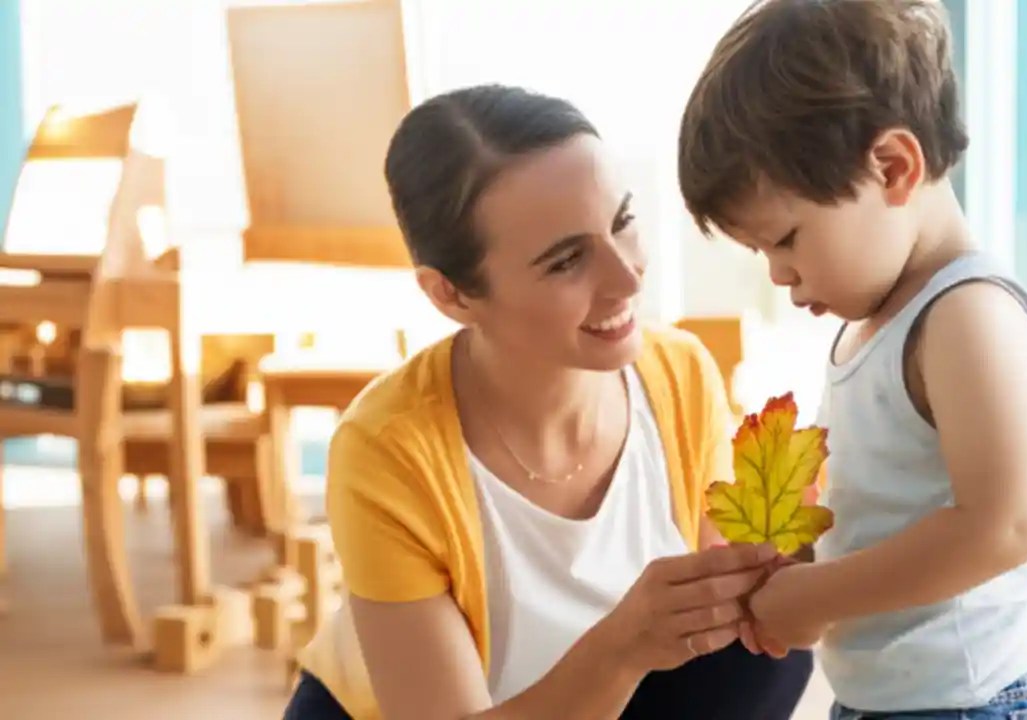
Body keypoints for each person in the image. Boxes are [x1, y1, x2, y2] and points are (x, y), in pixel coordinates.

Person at [284, 84, 813, 720]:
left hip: (611, 698)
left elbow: (729, 629)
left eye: (622, 222)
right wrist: (620, 648)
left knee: (755, 665)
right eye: (566, 261)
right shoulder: (387, 450)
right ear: (451, 296)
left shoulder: (680, 375)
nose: (626, 278)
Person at [676, 1, 1027, 718]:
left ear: (892, 167)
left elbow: (1005, 524)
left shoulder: (965, 317)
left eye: (787, 239)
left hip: (974, 699)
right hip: (888, 695)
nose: (778, 274)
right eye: (762, 251)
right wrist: (795, 563)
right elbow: (877, 510)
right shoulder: (875, 322)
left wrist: (820, 594)